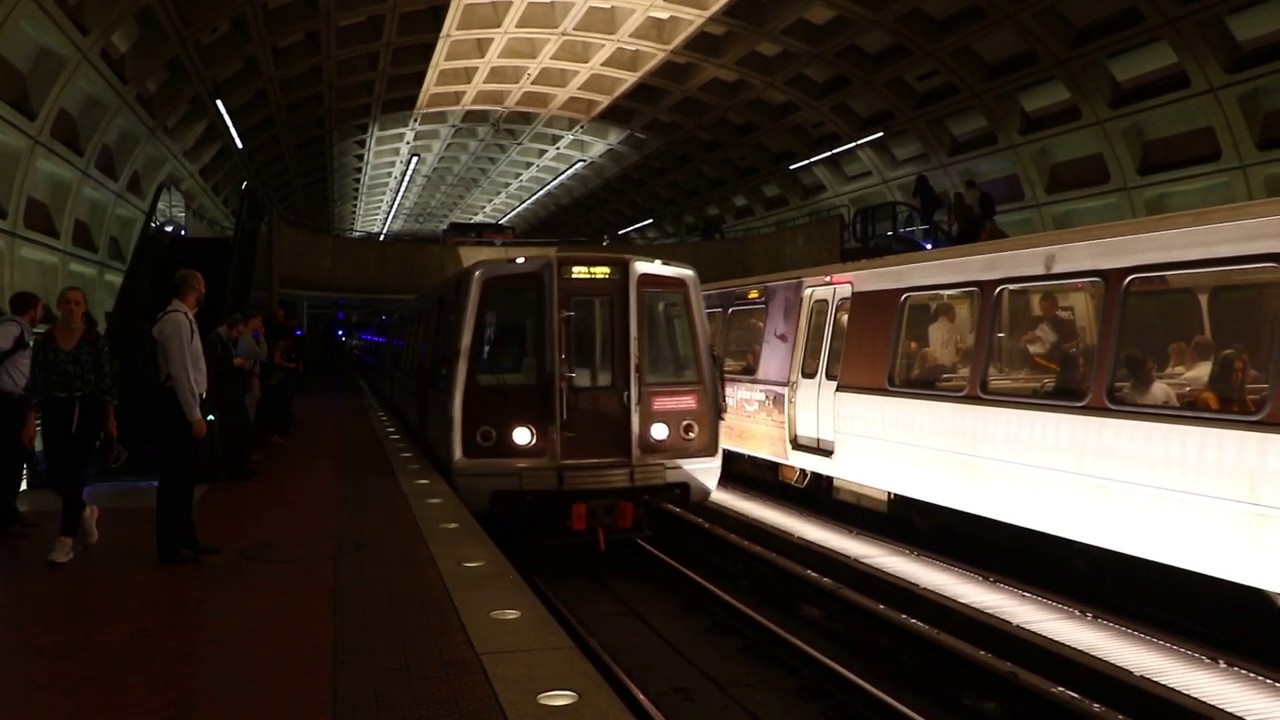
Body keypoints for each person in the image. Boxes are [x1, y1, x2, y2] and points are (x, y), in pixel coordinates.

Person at [30, 286, 117, 563]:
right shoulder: (45, 342)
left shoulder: (93, 340)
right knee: (55, 472)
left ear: (84, 307)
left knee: (75, 469)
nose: (71, 307)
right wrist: (31, 417)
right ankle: (83, 510)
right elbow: (36, 379)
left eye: (77, 303)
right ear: (58, 305)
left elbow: (104, 379)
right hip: (55, 408)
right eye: (66, 302)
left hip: (86, 407)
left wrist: (110, 418)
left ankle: (65, 538)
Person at [153, 270, 218, 563]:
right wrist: (194, 415)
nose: (205, 290)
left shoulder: (184, 319)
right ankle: (171, 545)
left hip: (181, 406)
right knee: (175, 480)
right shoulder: (176, 321)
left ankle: (185, 537)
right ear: (194, 288)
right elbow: (181, 372)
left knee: (183, 479)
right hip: (176, 408)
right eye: (203, 286)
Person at [0, 291, 41, 535]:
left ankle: (9, 512)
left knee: (14, 461)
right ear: (32, 310)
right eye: (40, 308)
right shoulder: (12, 328)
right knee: (8, 460)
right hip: (6, 405)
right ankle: (4, 520)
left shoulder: (18, 330)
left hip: (13, 404)